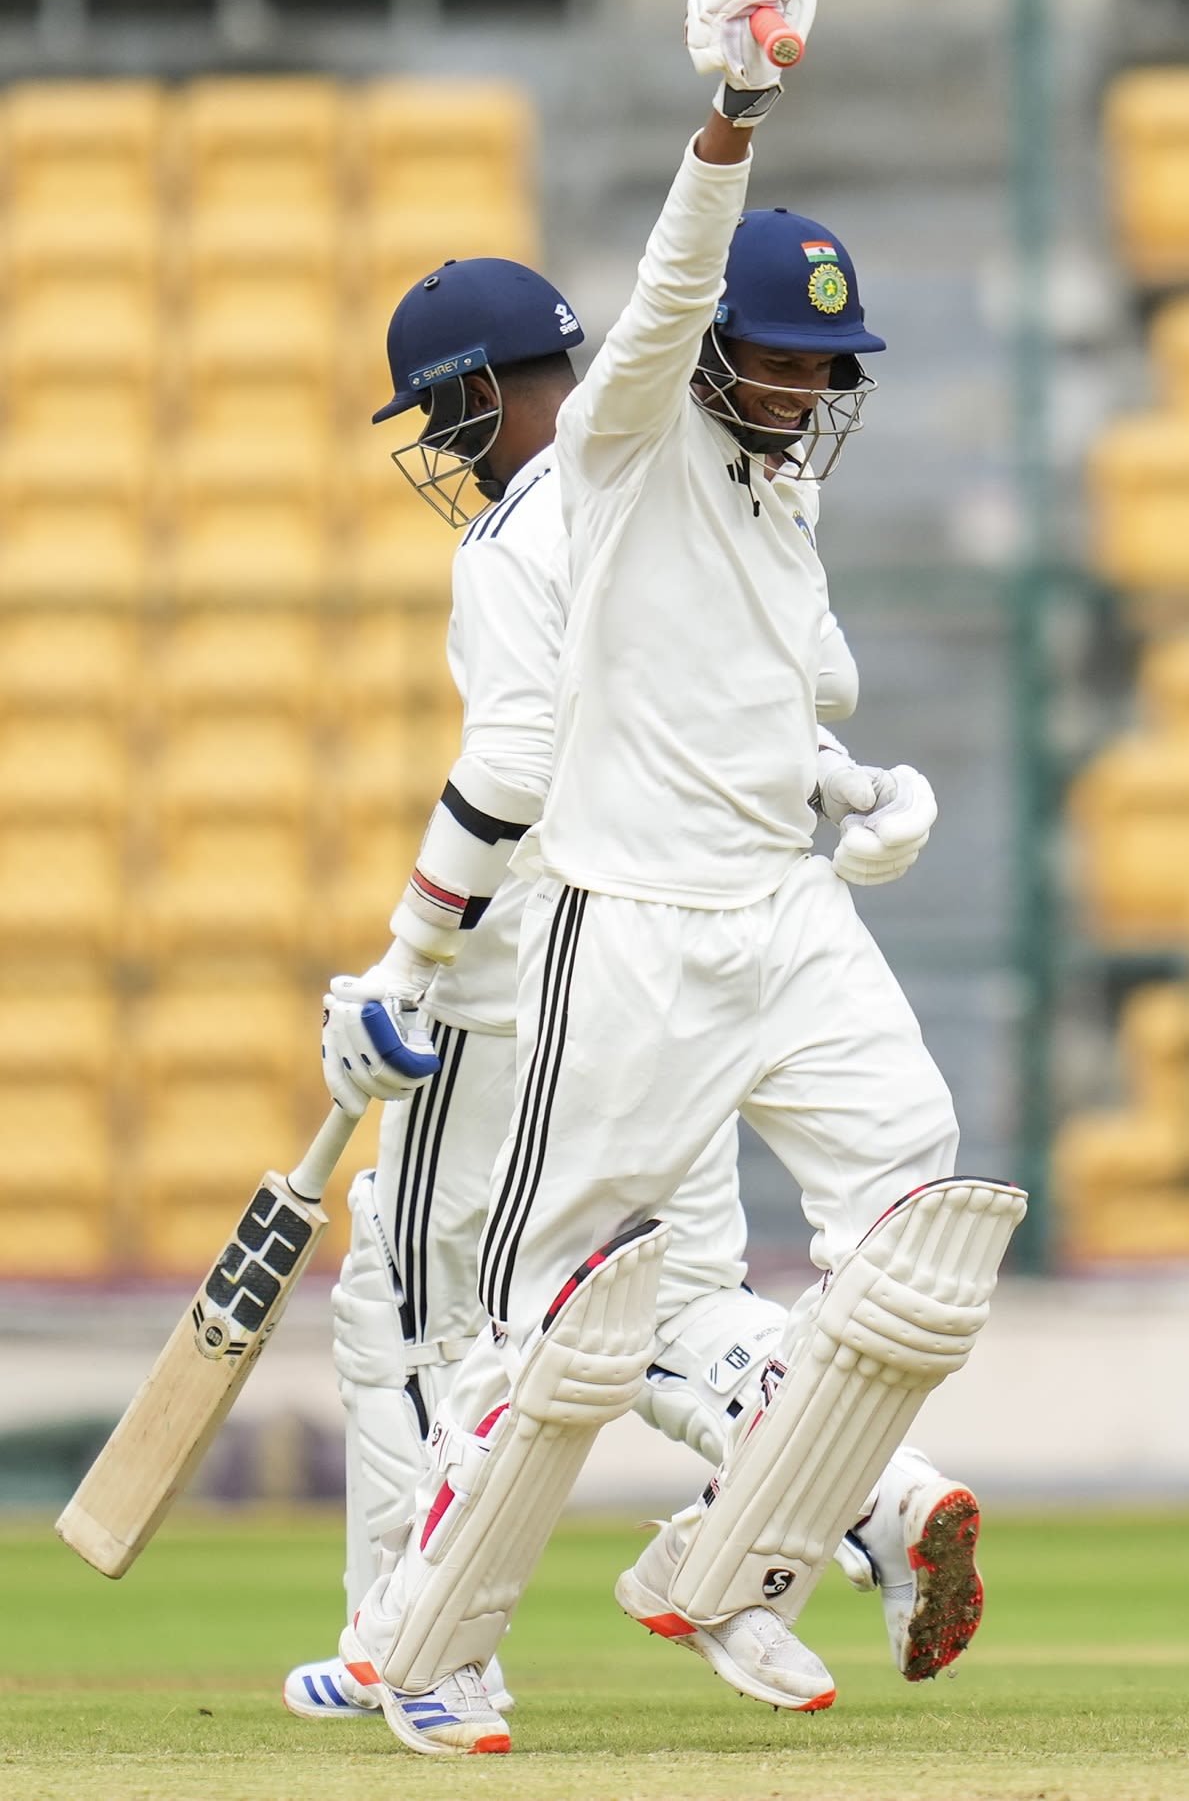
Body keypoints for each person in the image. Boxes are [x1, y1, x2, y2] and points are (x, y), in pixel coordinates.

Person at [281, 253, 989, 1734]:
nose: (443, 450)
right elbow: (724, 710)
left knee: (426, 1310)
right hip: (693, 952)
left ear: (479, 398)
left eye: (443, 417)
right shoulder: (697, 490)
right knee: (673, 1299)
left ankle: (407, 1640)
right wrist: (838, 777)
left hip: (550, 964)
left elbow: (518, 769)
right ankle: (851, 1508)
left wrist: (405, 973)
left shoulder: (529, 530)